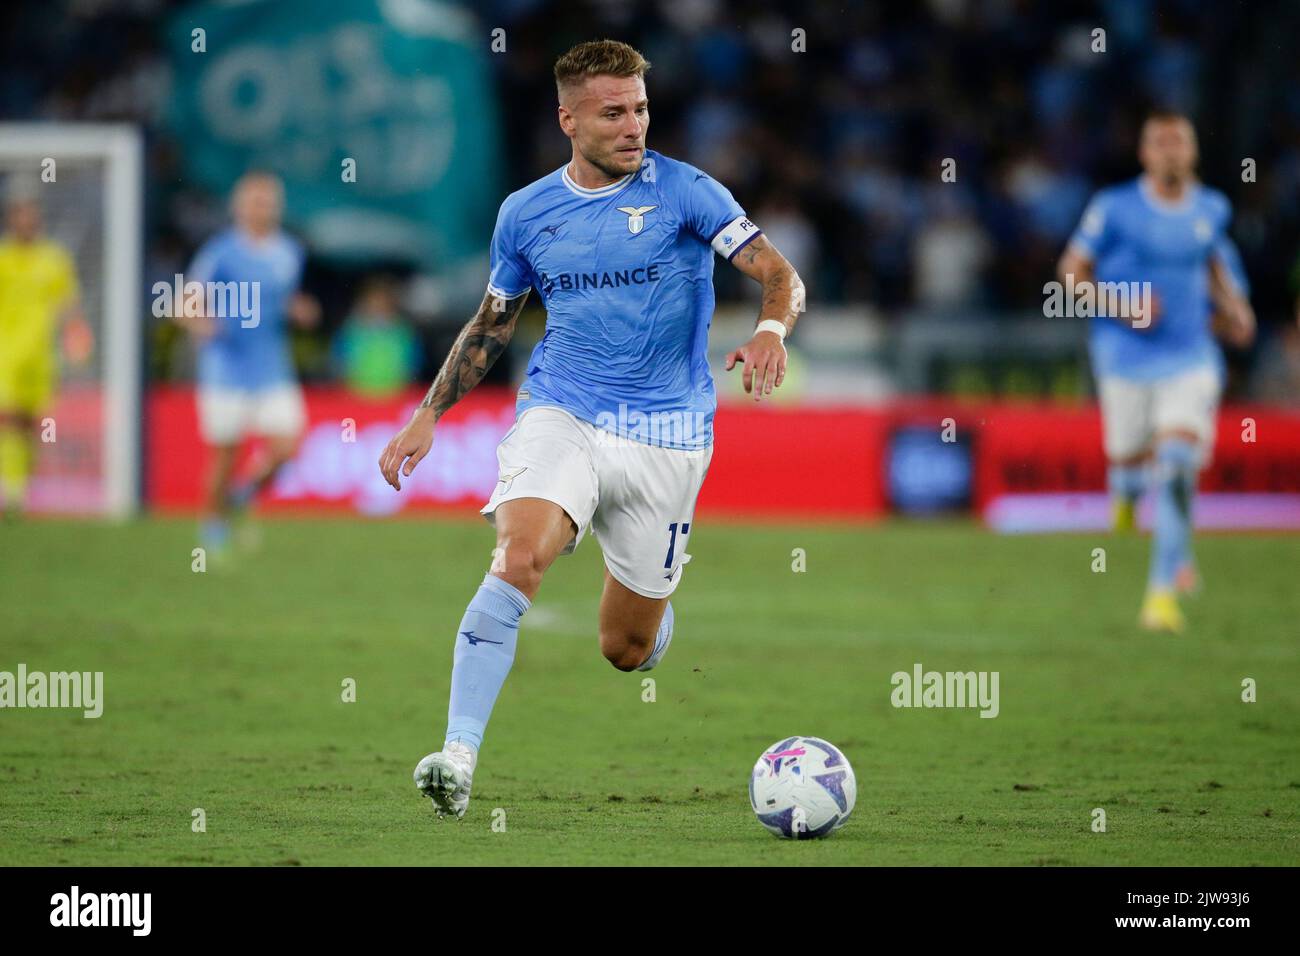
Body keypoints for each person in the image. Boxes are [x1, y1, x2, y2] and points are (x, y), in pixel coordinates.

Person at [377, 39, 806, 818]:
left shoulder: (689, 192)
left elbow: (779, 273)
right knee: (519, 555)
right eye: (613, 113)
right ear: (568, 119)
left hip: (669, 436)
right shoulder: (526, 213)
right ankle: (458, 756)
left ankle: (653, 617)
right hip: (563, 409)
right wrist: (428, 414)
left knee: (625, 649)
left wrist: (773, 329)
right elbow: (492, 323)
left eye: (640, 109)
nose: (633, 126)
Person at [1057, 110, 1255, 633]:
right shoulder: (1114, 208)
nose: (1170, 150)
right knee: (1128, 464)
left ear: (1192, 152)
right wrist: (1123, 307)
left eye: (1179, 141)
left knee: (1174, 461)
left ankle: (1161, 594)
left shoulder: (1212, 208)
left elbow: (1214, 262)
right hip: (1123, 358)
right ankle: (1123, 496)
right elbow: (1070, 274)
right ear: (1144, 153)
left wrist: (1236, 308)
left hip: (1191, 358)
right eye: (1159, 141)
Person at [175, 171, 319, 555]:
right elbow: (185, 300)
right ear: (239, 207)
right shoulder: (220, 251)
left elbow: (282, 298)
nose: (264, 208)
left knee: (288, 445)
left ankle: (244, 493)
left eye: (269, 201)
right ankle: (212, 526)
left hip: (271, 366)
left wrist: (298, 309)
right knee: (225, 454)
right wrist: (200, 321)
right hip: (225, 369)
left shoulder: (289, 252)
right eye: (256, 201)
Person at [0, 186, 84, 516]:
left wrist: (77, 338)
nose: (27, 221)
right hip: (5, 354)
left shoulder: (54, 258)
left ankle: (21, 489)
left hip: (41, 355)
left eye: (31, 214)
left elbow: (68, 304)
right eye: (21, 214)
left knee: (31, 424)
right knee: (7, 417)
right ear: (11, 219)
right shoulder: (3, 257)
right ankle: (11, 487)